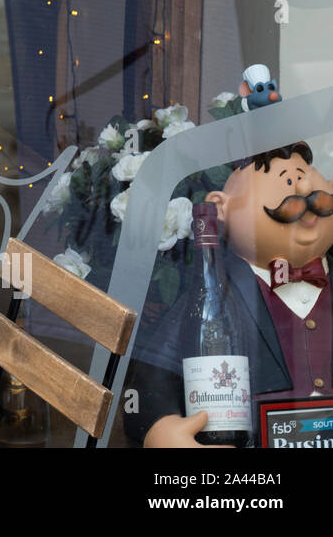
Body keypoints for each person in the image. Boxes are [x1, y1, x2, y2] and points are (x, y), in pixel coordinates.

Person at [126, 142, 333, 446]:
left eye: (306, 176)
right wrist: (162, 429)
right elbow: (151, 380)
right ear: (220, 208)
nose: (302, 189)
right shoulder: (214, 294)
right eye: (286, 179)